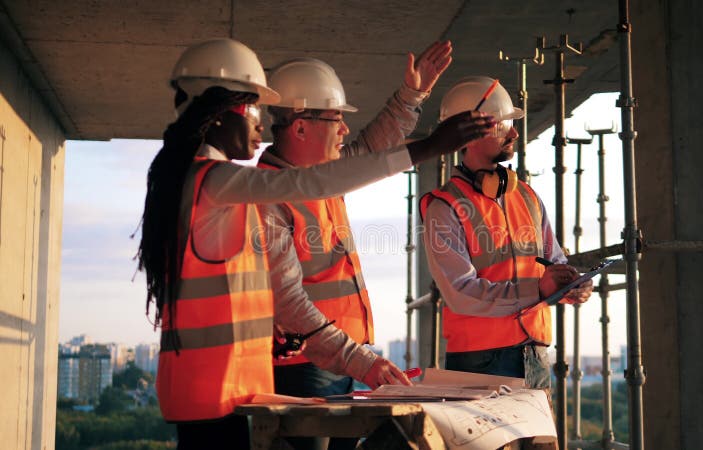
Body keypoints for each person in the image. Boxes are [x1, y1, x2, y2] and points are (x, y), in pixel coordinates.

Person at [136, 39, 496, 450]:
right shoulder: (219, 183)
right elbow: (307, 185)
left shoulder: (213, 183)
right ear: (219, 113)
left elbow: (358, 156)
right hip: (221, 384)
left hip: (227, 384)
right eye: (253, 107)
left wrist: (411, 98)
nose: (261, 122)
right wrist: (429, 147)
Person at [257, 41, 451, 450]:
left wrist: (412, 96)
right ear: (301, 126)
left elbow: (371, 149)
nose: (345, 129)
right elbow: (288, 303)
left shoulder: (320, 175)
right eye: (336, 119)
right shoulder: (267, 196)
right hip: (305, 367)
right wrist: (361, 360)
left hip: (342, 360)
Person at [420, 77, 593, 447]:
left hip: (534, 355)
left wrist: (567, 285)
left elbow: (553, 261)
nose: (514, 133)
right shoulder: (444, 207)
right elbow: (460, 294)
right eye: (502, 125)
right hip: (479, 362)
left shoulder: (527, 196)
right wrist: (539, 288)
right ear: (467, 135)